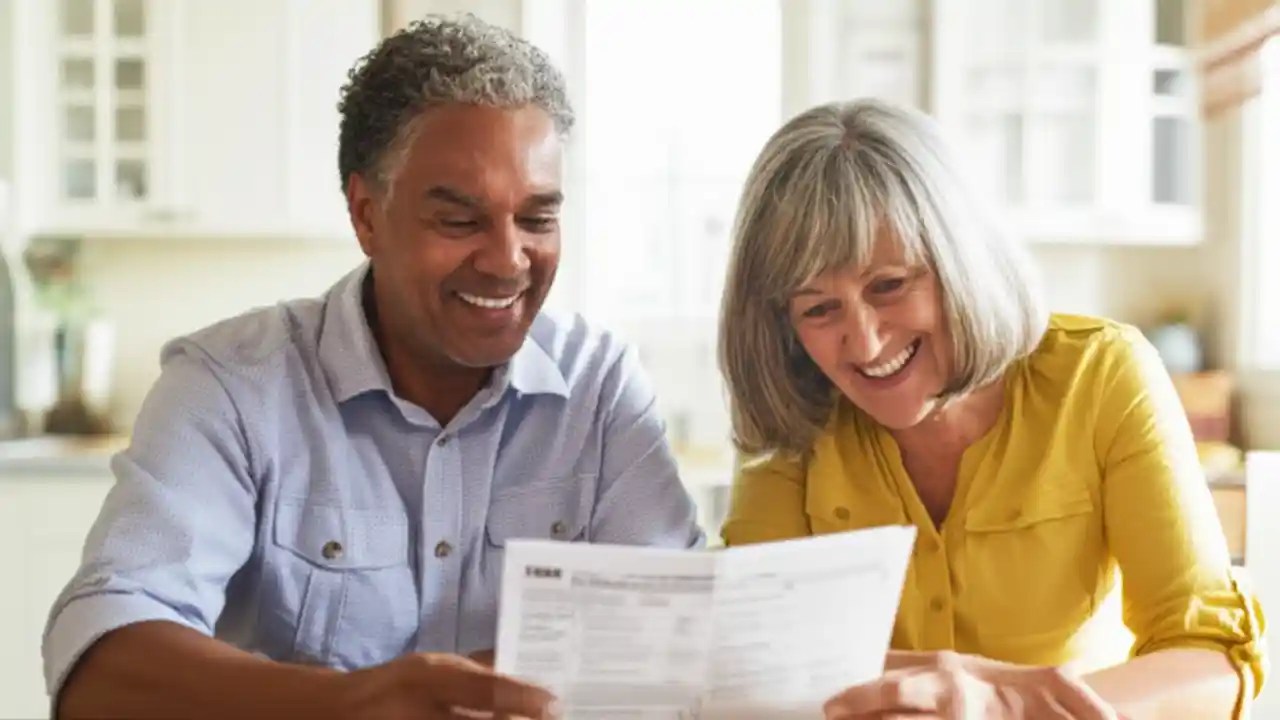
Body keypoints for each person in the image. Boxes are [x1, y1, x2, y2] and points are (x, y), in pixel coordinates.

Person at [43, 15, 702, 719]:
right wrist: (352, 702)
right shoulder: (229, 389)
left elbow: (689, 650)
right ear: (366, 214)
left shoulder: (599, 391)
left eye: (537, 219)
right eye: (459, 221)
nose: (509, 259)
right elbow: (101, 664)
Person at [717, 99, 1267, 719]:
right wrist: (949, 679)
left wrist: (1003, 706)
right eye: (819, 310)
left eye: (889, 286)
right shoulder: (794, 418)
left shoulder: (1101, 375)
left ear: (960, 263)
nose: (865, 342)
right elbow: (747, 658)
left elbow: (1212, 661)